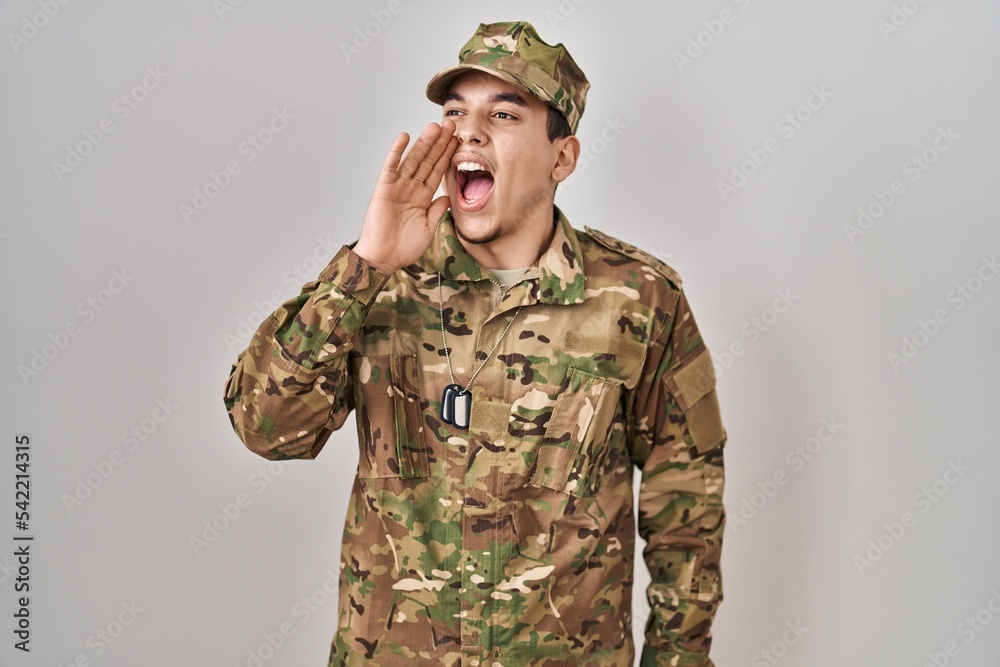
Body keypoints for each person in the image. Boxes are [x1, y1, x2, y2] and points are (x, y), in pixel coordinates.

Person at [224, 20, 727, 667]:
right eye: (455, 111)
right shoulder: (381, 285)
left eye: (505, 113)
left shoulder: (639, 298)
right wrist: (366, 264)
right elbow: (265, 426)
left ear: (562, 157)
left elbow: (687, 508)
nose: (468, 130)